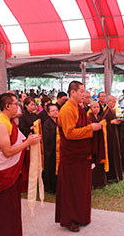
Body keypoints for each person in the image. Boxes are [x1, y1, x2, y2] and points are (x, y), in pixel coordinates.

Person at [0, 93, 40, 236]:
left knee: (12, 208)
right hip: (3, 173)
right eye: (15, 104)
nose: (18, 106)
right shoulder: (1, 124)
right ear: (7, 106)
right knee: (4, 208)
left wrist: (28, 140)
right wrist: (28, 143)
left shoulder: (9, 121)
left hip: (12, 172)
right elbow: (8, 152)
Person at [55, 81, 102, 232]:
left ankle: (81, 216)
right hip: (72, 156)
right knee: (71, 188)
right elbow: (69, 133)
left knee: (81, 187)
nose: (84, 94)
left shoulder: (78, 108)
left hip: (82, 155)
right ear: (73, 92)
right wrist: (91, 128)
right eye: (81, 91)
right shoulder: (67, 109)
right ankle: (70, 219)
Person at [102, 95, 124, 183]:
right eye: (113, 102)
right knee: (111, 154)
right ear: (109, 102)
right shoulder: (106, 111)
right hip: (109, 137)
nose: (114, 104)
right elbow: (102, 123)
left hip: (114, 135)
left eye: (115, 102)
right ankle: (111, 176)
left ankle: (116, 175)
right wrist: (111, 122)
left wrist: (117, 121)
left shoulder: (112, 111)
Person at [88, 101, 107, 189]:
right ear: (91, 109)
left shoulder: (100, 117)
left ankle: (100, 182)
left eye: (98, 107)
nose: (96, 109)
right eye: (94, 107)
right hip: (92, 141)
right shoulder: (89, 118)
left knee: (99, 161)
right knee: (93, 160)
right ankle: (92, 183)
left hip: (100, 141)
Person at [42, 103, 58, 193]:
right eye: (53, 111)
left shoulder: (59, 121)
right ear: (48, 113)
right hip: (50, 149)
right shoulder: (47, 124)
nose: (55, 112)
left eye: (56, 110)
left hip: (58, 149)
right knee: (50, 168)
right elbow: (47, 137)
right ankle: (50, 188)